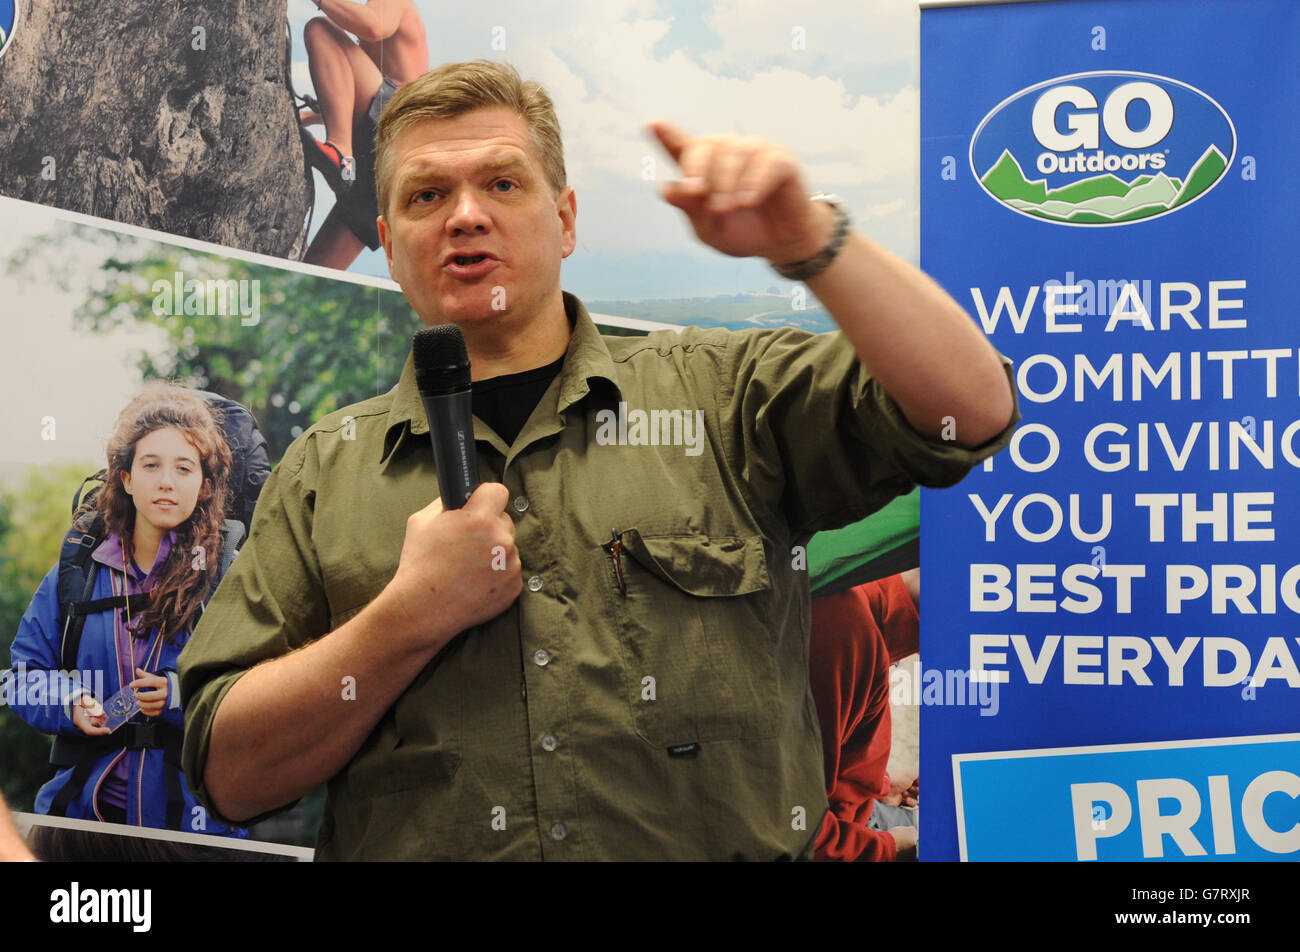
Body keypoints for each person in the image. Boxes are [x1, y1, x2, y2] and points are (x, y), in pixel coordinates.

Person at [180, 60, 1019, 860]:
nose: (465, 215)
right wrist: (407, 617)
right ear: (392, 249)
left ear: (567, 218)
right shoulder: (323, 472)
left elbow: (967, 410)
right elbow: (230, 774)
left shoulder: (724, 398)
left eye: (503, 183)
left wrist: (813, 241)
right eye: (426, 195)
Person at [8, 388, 245, 837]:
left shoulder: (229, 578)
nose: (166, 481)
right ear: (126, 478)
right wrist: (69, 702)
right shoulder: (76, 574)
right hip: (77, 822)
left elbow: (262, 689)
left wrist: (180, 696)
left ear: (205, 485)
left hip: (192, 831)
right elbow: (21, 676)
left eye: (184, 467)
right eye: (150, 465)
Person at [299, 0, 429, 269]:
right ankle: (342, 156)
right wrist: (307, 118)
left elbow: (373, 26)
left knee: (320, 29)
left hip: (390, 125)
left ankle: (339, 150)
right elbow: (352, 94)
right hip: (389, 167)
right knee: (315, 271)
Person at [811, 569, 921, 862]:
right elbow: (792, 827)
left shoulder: (867, 607)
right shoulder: (843, 628)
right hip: (841, 839)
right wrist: (886, 848)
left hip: (858, 814)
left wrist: (882, 784)